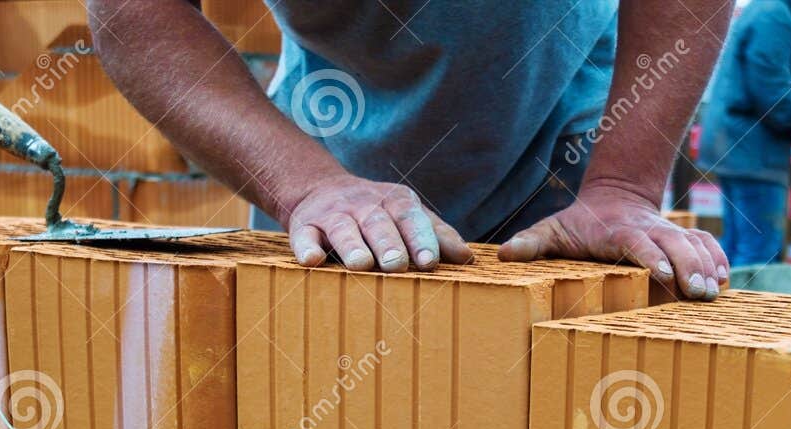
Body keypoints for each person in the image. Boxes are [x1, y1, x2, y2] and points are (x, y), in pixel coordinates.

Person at [88, 1, 732, 300]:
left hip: (568, 149)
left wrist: (622, 186)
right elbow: (133, 10)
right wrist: (306, 185)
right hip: (330, 170)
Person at [698, 0, 791, 266]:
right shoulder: (775, 15)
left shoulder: (764, 8)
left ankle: (729, 294)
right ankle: (746, 296)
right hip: (753, 153)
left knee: (736, 248)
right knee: (758, 256)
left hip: (738, 146)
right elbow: (770, 90)